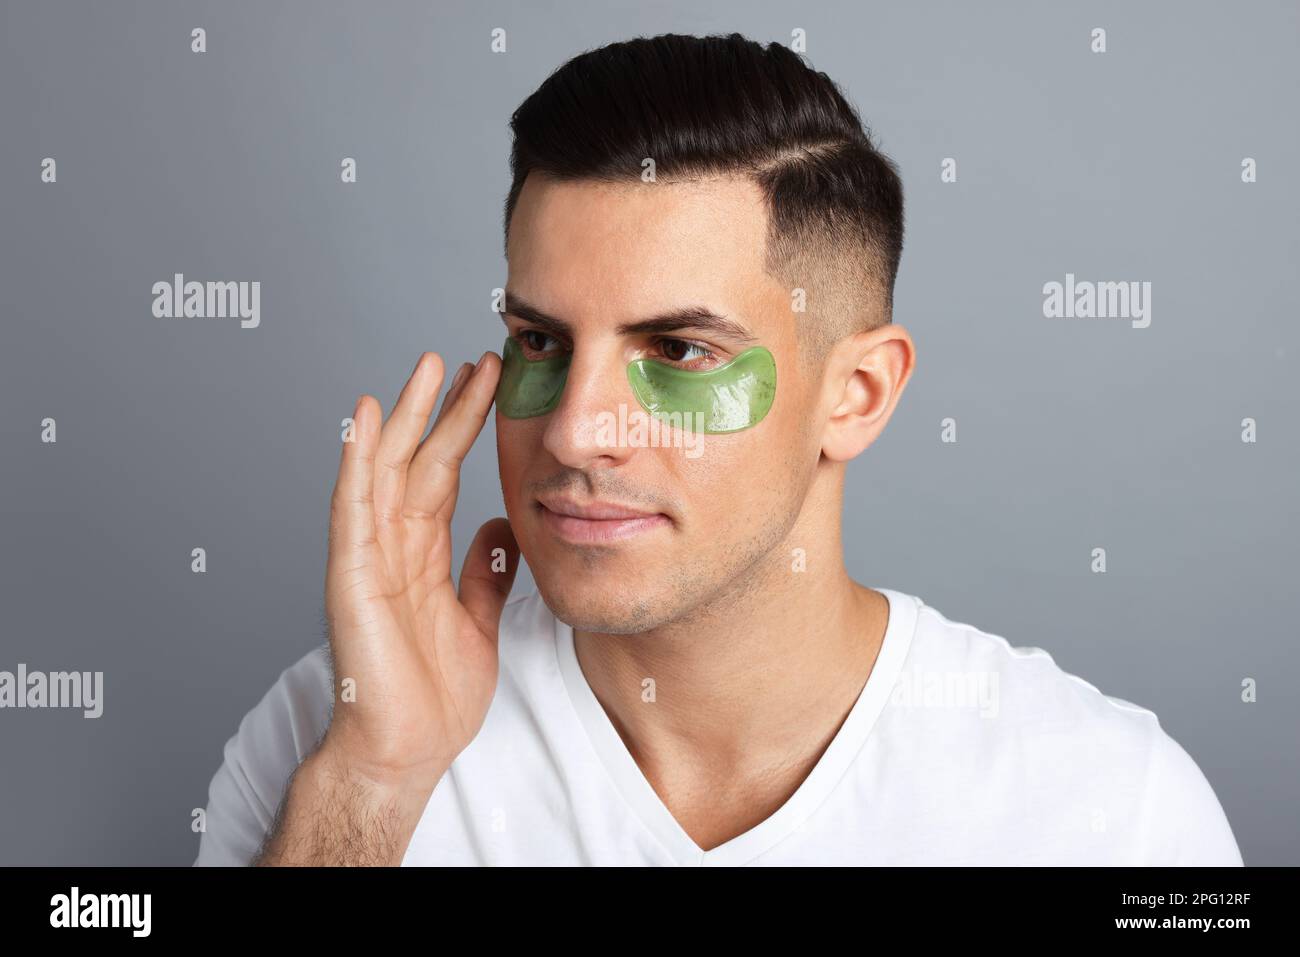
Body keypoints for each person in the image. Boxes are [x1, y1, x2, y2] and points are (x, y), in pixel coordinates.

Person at [194, 33, 1242, 866]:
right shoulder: (332, 739)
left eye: (680, 350)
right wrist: (376, 785)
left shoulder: (1109, 809)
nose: (572, 430)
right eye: (540, 342)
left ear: (857, 394)